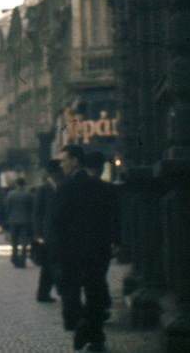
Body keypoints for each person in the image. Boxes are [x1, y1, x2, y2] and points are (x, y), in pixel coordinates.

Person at [51, 145, 121, 352]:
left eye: (64, 160)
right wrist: (115, 241)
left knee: (71, 292)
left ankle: (82, 326)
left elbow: (57, 223)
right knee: (95, 291)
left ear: (75, 161)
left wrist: (57, 250)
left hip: (71, 251)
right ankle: (95, 335)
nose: (61, 165)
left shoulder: (65, 188)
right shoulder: (102, 187)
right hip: (98, 249)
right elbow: (114, 218)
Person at [33, 158, 65, 302]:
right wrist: (38, 233)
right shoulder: (43, 189)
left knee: (50, 264)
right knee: (50, 264)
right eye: (59, 171)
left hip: (61, 232)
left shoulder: (63, 186)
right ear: (53, 173)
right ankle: (50, 292)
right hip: (48, 233)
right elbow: (37, 212)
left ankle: (44, 293)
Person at [4, 177, 34, 268]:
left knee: (14, 240)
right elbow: (32, 208)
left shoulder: (10, 195)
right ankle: (23, 258)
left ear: (16, 184)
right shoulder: (28, 195)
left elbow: (7, 208)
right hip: (26, 220)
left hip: (13, 220)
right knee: (24, 241)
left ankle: (15, 257)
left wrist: (8, 218)